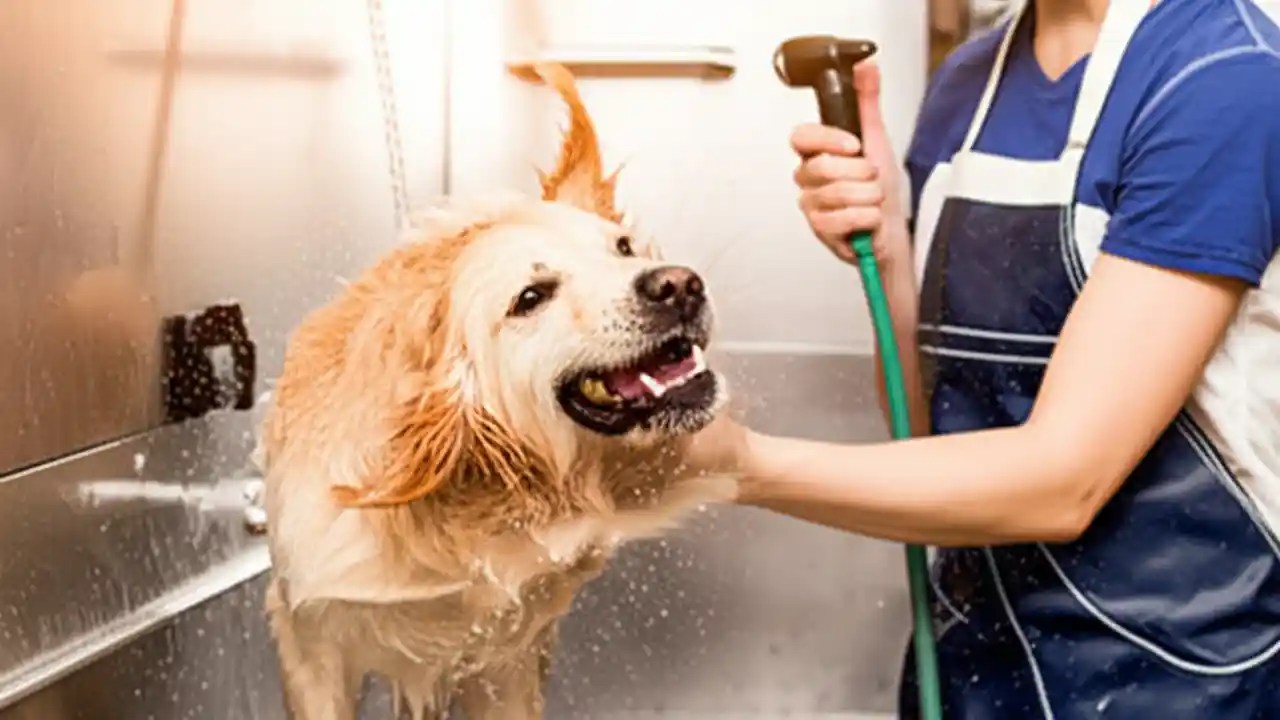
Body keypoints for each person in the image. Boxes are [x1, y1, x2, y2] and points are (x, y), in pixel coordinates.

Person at [689, 0, 1280, 717]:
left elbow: (1066, 481)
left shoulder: (1227, 79)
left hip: (1173, 683)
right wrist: (891, 249)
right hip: (970, 670)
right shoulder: (969, 81)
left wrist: (734, 464)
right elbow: (926, 424)